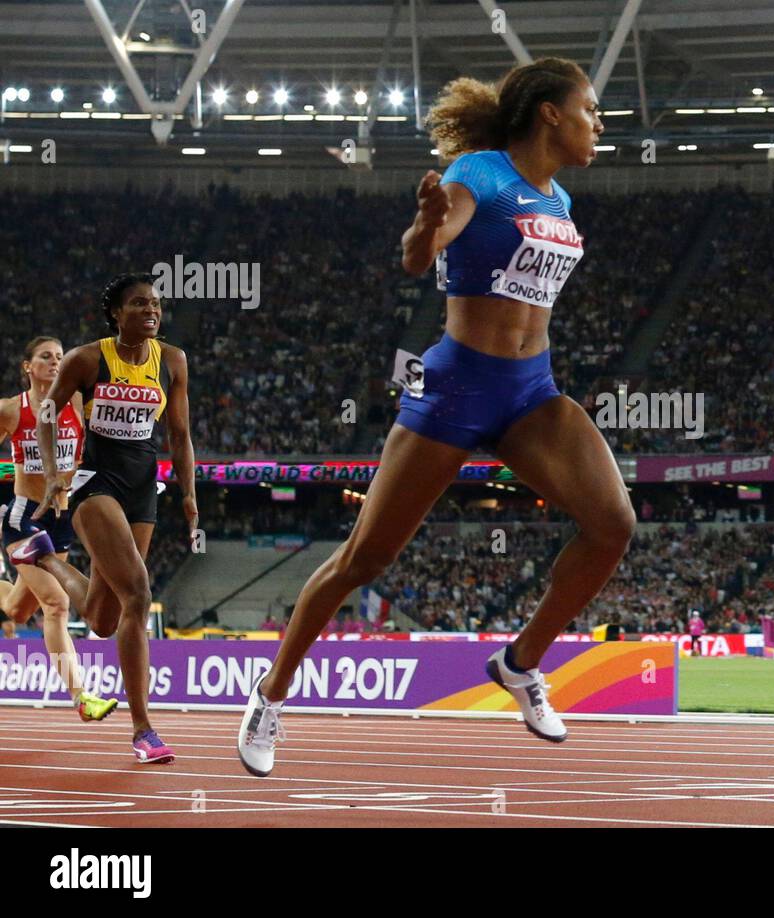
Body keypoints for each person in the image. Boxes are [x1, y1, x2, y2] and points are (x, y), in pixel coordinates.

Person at [238, 57, 632, 777]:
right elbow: (421, 257)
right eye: (590, 109)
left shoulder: (563, 203)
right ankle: (271, 693)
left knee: (613, 525)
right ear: (550, 113)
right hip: (453, 388)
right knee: (365, 559)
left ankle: (519, 664)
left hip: (531, 393)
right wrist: (423, 229)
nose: (598, 123)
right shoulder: (477, 175)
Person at [21, 275, 198, 762]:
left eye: (156, 304)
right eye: (139, 304)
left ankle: (49, 559)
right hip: (96, 485)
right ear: (116, 314)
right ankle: (144, 730)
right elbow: (47, 413)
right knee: (139, 592)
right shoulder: (87, 359)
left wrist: (189, 495)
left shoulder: (174, 360)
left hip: (144, 491)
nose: (150, 311)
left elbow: (179, 435)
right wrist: (56, 473)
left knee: (103, 619)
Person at [0, 336, 117, 720]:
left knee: (17, 609)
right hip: (25, 519)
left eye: (60, 357)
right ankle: (81, 697)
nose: (54, 363)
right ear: (27, 366)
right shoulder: (11, 410)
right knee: (56, 604)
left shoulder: (79, 403)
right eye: (45, 358)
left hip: (62, 519)